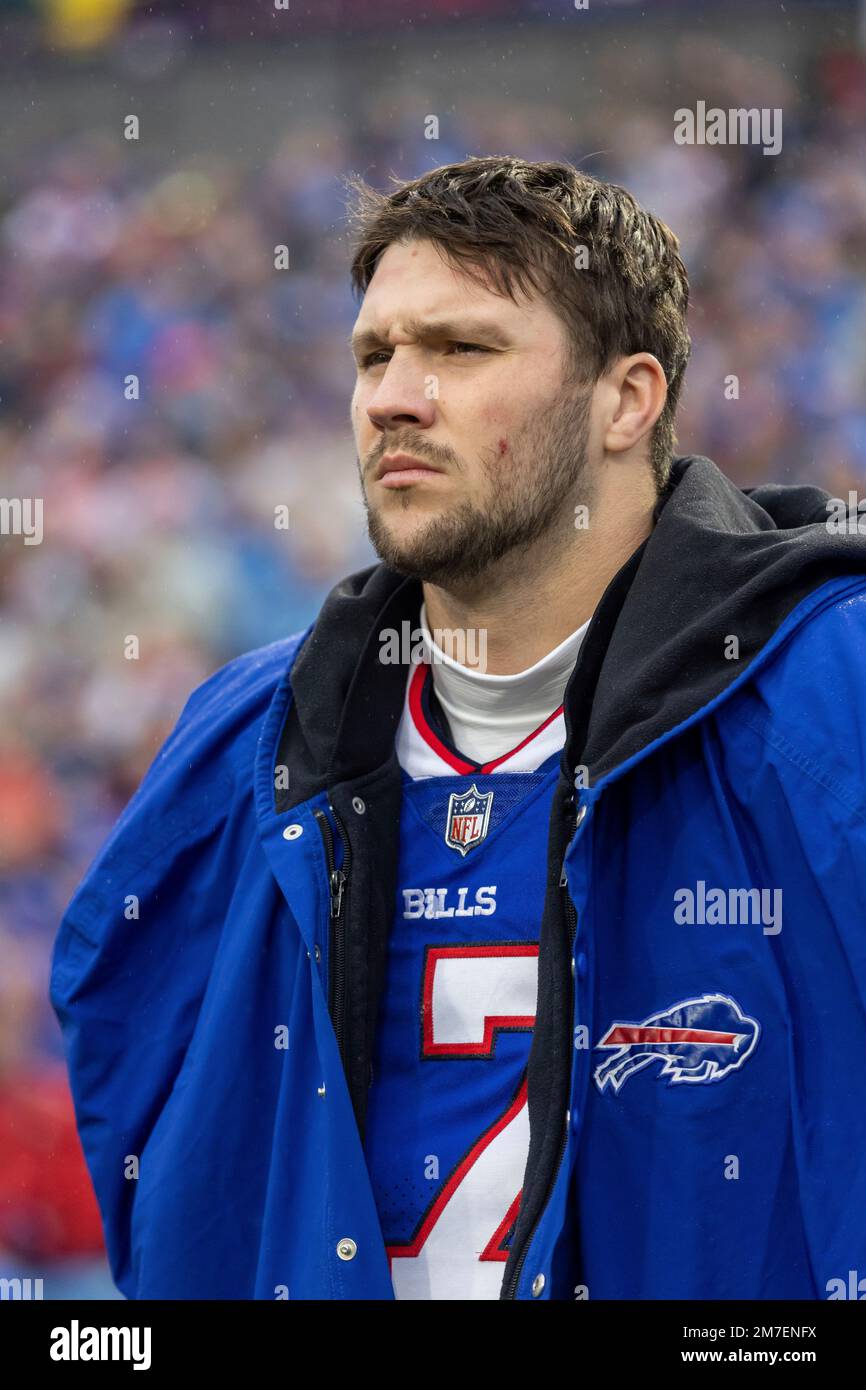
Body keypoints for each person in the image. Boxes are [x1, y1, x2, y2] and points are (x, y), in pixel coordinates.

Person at [51, 156, 866, 1300]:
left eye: (460, 349)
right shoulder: (248, 739)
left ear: (625, 400)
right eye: (375, 354)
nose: (393, 394)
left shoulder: (824, 688)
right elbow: (159, 1136)